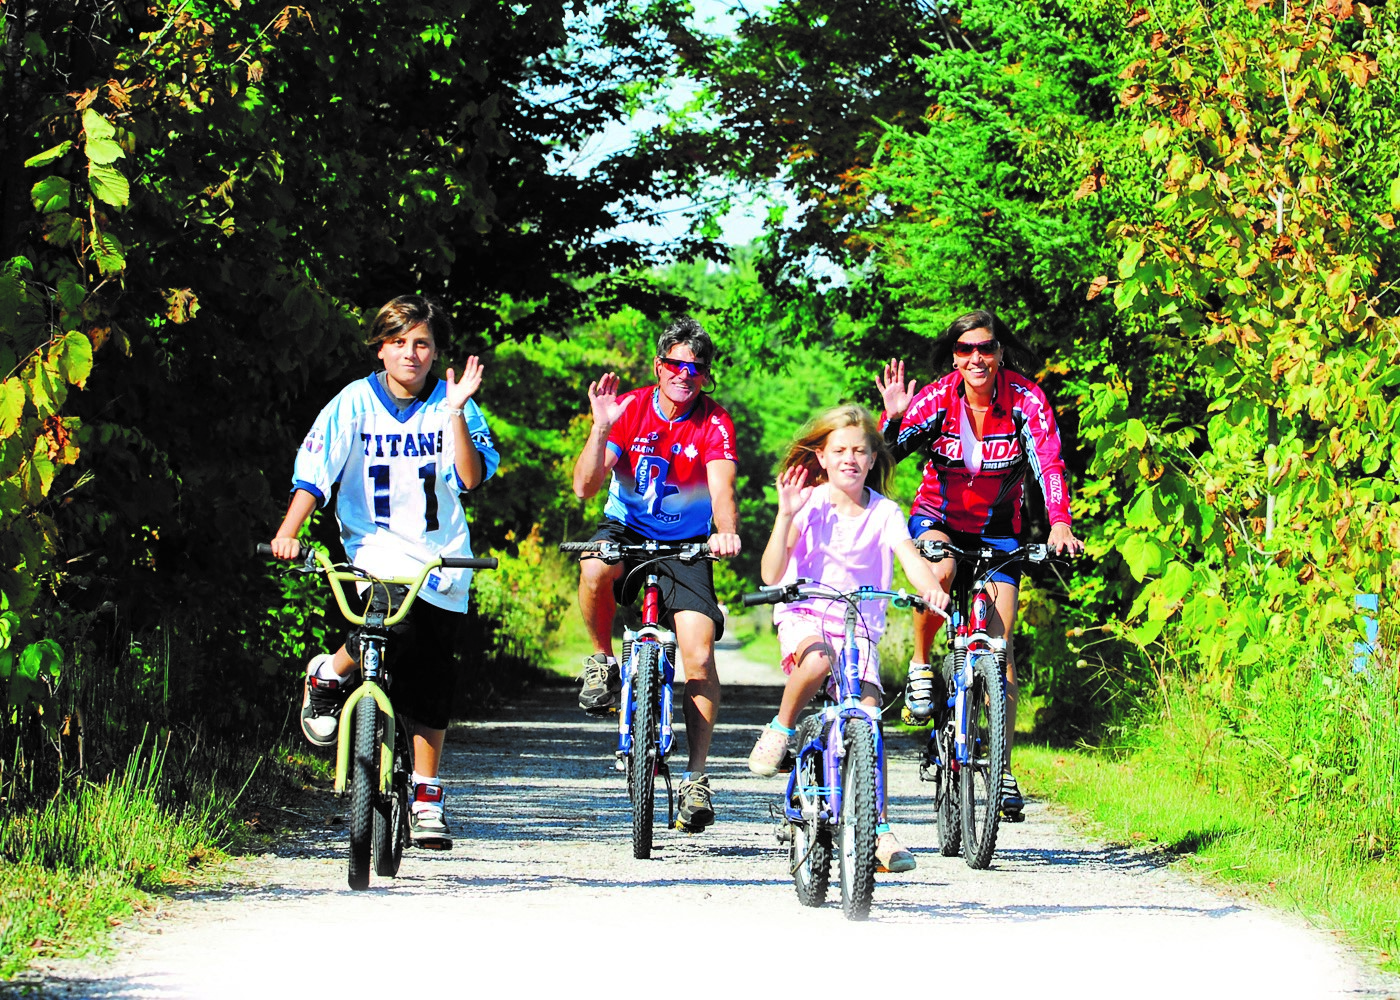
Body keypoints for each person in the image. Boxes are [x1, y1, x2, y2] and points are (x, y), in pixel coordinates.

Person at [268, 294, 500, 851]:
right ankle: (328, 676)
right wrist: (288, 531)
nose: (411, 354)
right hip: (373, 552)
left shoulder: (454, 402)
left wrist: (454, 412)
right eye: (399, 343)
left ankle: (426, 792)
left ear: (436, 350)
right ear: (380, 347)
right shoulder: (353, 403)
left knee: (432, 673)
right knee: (386, 626)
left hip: (440, 559)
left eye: (422, 343)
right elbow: (315, 472)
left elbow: (469, 479)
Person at [876, 308, 1082, 821]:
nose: (976, 359)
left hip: (998, 529)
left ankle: (1002, 765)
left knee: (1000, 652)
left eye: (985, 348)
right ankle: (922, 665)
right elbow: (886, 456)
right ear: (954, 356)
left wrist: (1059, 523)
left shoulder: (1025, 400)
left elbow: (1049, 463)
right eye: (965, 350)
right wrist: (895, 418)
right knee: (939, 573)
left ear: (999, 352)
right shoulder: (938, 398)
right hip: (938, 518)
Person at [745, 404, 948, 873]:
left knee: (871, 721)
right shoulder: (810, 504)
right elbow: (771, 571)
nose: (850, 459)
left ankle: (878, 828)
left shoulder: (885, 512)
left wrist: (930, 589)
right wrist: (784, 515)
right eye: (839, 450)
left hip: (859, 627)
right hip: (807, 614)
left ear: (874, 458)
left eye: (860, 450)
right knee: (817, 663)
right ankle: (780, 730)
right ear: (821, 455)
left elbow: (910, 557)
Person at [570, 316, 742, 832]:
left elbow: (722, 490)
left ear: (704, 375)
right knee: (595, 562)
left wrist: (725, 531)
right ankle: (601, 660)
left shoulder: (714, 422)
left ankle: (695, 777)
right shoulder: (630, 409)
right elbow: (584, 487)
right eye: (675, 365)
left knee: (699, 653)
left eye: (695, 368)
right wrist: (601, 426)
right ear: (658, 365)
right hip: (626, 528)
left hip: (687, 544)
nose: (684, 375)